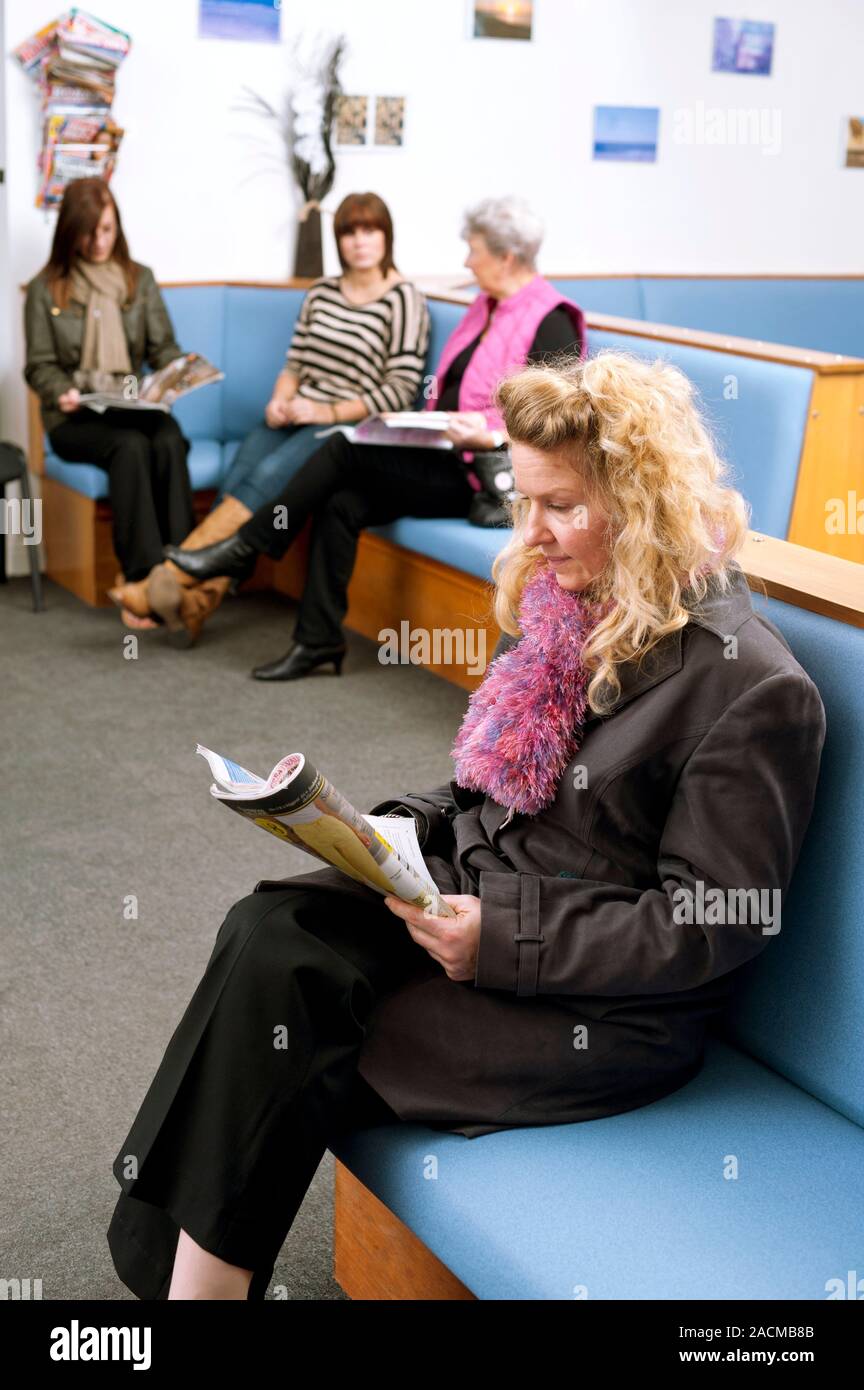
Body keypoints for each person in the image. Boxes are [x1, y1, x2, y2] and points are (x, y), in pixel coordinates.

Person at [106, 350, 826, 1300]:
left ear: (646, 500)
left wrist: (505, 941)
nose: (534, 534)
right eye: (524, 502)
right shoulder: (569, 606)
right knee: (267, 926)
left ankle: (193, 1295)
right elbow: (487, 793)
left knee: (291, 1001)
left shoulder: (753, 687)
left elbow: (715, 924)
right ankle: (193, 1291)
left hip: (595, 1012)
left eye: (561, 505)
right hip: (473, 904)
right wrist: (371, 834)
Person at [161, 196, 586, 673]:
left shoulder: (552, 318)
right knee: (342, 500)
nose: (467, 261)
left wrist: (488, 431)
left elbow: (556, 419)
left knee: (344, 445)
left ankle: (242, 549)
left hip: (486, 476)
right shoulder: (486, 306)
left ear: (506, 257)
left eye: (474, 251)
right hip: (444, 454)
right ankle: (318, 641)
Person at [111, 191, 430, 642]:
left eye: (370, 230)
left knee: (266, 480)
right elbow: (296, 363)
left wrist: (325, 410)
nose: (360, 241)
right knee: (241, 475)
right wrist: (279, 400)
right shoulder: (321, 292)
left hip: (346, 425)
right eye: (350, 232)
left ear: (386, 236)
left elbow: (399, 391)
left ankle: (159, 581)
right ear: (338, 240)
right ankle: (198, 602)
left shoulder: (404, 300)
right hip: (297, 412)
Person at [23, 177, 195, 631]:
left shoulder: (140, 280)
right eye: (88, 232)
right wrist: (58, 389)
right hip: (74, 416)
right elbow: (38, 365)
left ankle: (180, 573)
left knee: (169, 438)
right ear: (69, 233)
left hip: (129, 404)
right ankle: (140, 581)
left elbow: (163, 348)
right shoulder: (46, 289)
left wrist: (177, 373)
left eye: (107, 230)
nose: (99, 242)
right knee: (129, 448)